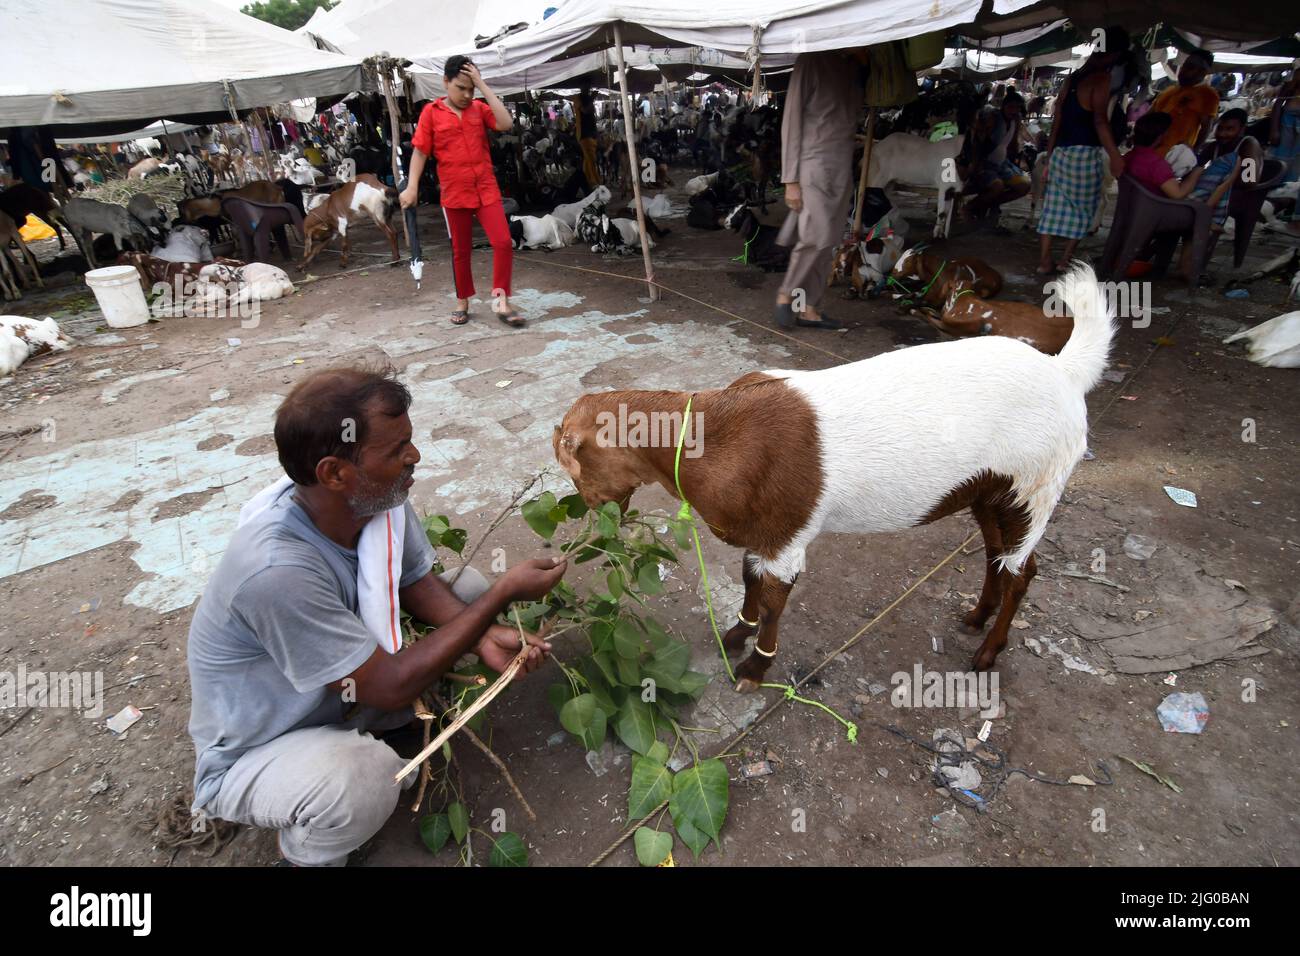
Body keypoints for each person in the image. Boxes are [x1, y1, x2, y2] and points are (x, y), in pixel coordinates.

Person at [187, 366, 568, 866]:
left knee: (466, 591)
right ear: (334, 473)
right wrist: (502, 596)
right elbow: (389, 684)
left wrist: (484, 634)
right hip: (260, 746)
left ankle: (375, 727)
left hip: (339, 696)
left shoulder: (375, 500)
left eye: (410, 440)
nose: (414, 457)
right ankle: (307, 848)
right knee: (364, 779)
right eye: (396, 450)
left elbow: (413, 580)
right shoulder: (275, 570)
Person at [400, 55, 524, 328]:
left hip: (485, 188)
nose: (467, 95)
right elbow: (420, 152)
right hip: (455, 192)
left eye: (471, 89)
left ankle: (502, 300)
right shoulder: (431, 113)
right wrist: (412, 187)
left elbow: (505, 124)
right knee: (461, 250)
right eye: (461, 88)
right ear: (445, 82)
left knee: (503, 242)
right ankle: (462, 300)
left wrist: (482, 83)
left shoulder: (479, 109)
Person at [773, 49, 865, 330]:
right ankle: (785, 294)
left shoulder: (855, 66)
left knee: (829, 241)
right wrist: (790, 179)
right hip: (813, 163)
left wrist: (863, 63)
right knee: (816, 235)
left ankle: (809, 308)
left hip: (842, 165)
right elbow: (791, 120)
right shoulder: (811, 59)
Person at [1036, 26, 1135, 275]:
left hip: (1060, 153)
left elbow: (1057, 118)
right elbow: (1100, 121)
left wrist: (1050, 154)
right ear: (1115, 55)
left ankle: (1044, 261)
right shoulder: (1101, 79)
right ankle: (1064, 260)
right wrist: (1115, 155)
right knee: (1083, 208)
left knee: (1052, 208)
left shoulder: (1074, 77)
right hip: (1084, 155)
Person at [964, 90, 1032, 229]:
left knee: (1024, 185)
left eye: (1017, 108)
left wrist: (1015, 162)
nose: (1014, 111)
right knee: (997, 186)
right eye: (1011, 107)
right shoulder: (993, 117)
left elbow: (1012, 144)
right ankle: (970, 208)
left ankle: (990, 204)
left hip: (1002, 163)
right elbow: (979, 141)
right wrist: (976, 164)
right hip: (985, 163)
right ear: (1004, 106)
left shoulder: (1015, 121)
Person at [1150, 51, 1219, 154]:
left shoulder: (1207, 94)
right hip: (1149, 151)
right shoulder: (1169, 91)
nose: (1183, 70)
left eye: (1190, 67)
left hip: (1173, 157)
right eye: (1184, 66)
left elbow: (1205, 128)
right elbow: (1150, 116)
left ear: (1202, 72)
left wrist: (1192, 153)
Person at [1267, 72, 1300, 183]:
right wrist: (1274, 130)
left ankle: (1288, 187)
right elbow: (1277, 105)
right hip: (1286, 126)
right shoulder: (1290, 86)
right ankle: (1272, 185)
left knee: (1296, 160)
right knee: (1280, 157)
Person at [573, 83, 600, 188]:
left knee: (588, 160)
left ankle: (586, 180)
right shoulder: (578, 98)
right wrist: (592, 99)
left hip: (591, 133)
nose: (588, 89)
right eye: (586, 86)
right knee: (591, 160)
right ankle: (594, 182)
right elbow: (585, 110)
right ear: (582, 87)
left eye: (589, 87)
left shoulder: (587, 97)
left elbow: (591, 114)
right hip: (584, 134)